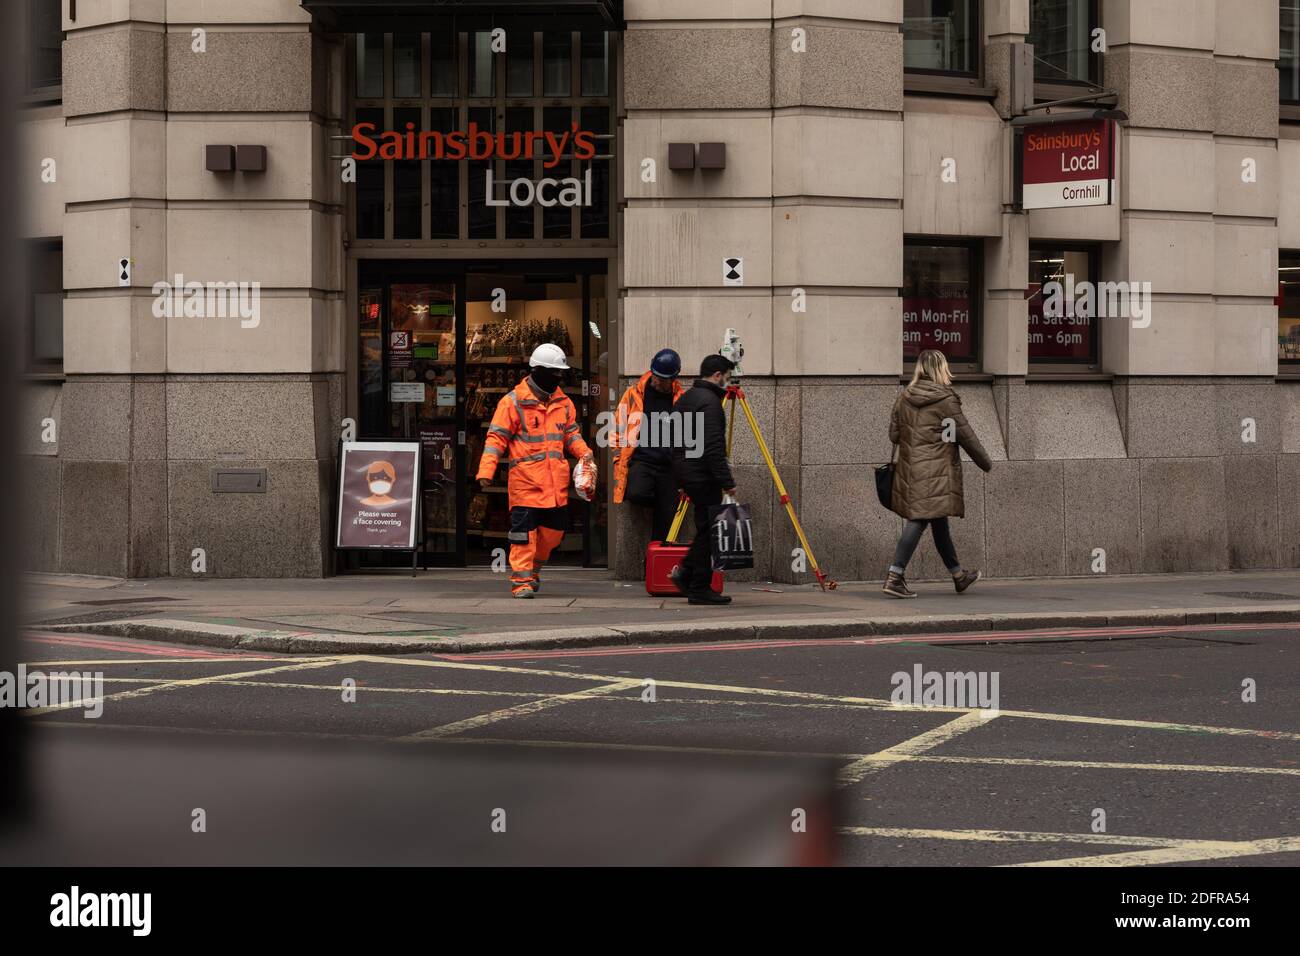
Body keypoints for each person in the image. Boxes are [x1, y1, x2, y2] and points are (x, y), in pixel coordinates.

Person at [476, 343, 594, 599]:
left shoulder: (563, 403)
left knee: (553, 535)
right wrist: (486, 470)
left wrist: (584, 452)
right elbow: (496, 438)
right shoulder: (513, 402)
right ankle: (521, 583)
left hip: (554, 485)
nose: (558, 378)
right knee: (523, 536)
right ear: (538, 370)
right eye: (554, 373)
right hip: (525, 484)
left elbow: (570, 433)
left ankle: (534, 568)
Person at [884, 349, 993, 598]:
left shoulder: (904, 397)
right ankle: (895, 575)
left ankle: (958, 575)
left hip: (911, 469)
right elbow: (965, 435)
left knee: (938, 520)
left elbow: (894, 435)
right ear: (941, 369)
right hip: (936, 471)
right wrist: (985, 462)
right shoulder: (945, 399)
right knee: (920, 519)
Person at [669, 354, 737, 605]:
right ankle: (696, 584)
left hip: (686, 472)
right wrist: (727, 481)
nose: (729, 385)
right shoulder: (710, 403)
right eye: (727, 378)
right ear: (717, 375)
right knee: (709, 532)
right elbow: (713, 447)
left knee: (704, 529)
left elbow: (672, 441)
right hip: (702, 475)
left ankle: (690, 576)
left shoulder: (686, 399)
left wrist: (680, 475)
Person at [612, 348, 686, 542]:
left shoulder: (681, 399)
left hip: (669, 466)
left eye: (662, 378)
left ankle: (654, 567)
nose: (657, 380)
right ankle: (654, 503)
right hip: (642, 460)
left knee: (667, 520)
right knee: (636, 493)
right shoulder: (634, 393)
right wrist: (618, 458)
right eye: (655, 375)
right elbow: (617, 427)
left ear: (673, 379)